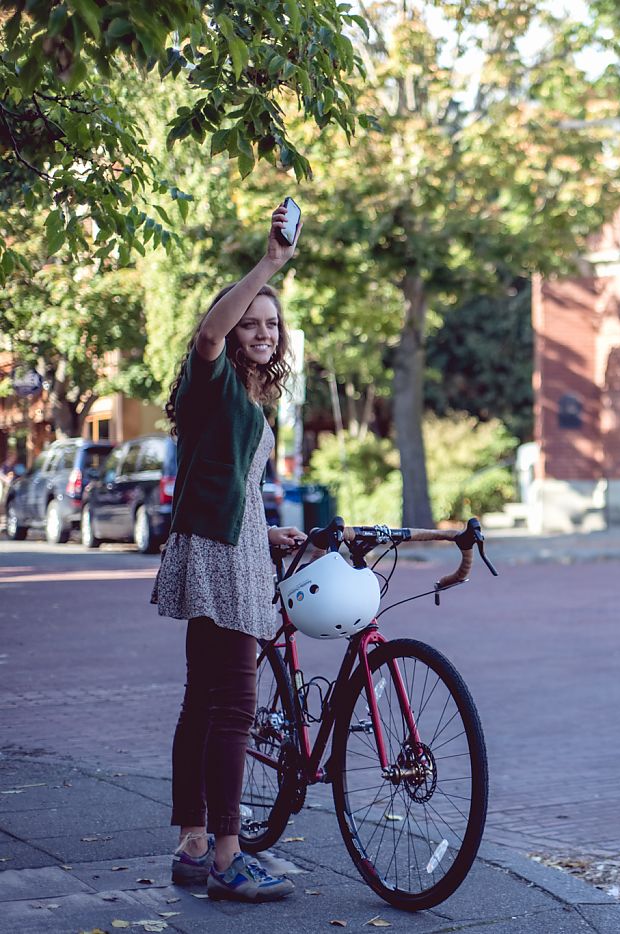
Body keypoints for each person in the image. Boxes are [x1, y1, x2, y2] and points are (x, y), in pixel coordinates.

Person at [150, 203, 307, 902]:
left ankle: (191, 843)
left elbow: (228, 482)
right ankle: (226, 853)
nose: (262, 331)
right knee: (237, 705)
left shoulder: (250, 395)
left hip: (229, 542)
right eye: (252, 322)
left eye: (270, 323)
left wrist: (264, 530)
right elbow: (209, 333)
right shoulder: (214, 380)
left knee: (202, 701)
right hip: (218, 556)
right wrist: (268, 263)